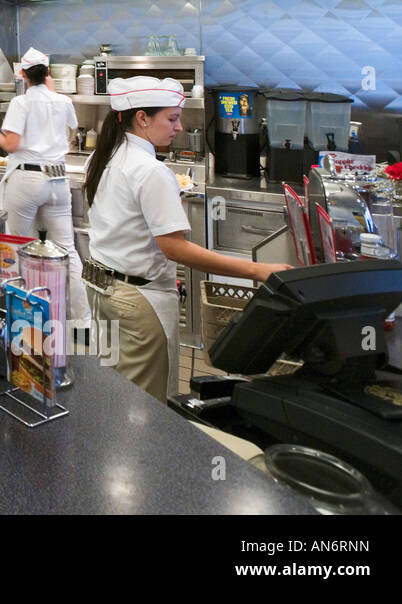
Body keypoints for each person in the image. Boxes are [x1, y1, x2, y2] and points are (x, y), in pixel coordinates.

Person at [83, 76, 290, 402]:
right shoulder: (150, 170)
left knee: (114, 394)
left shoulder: (104, 156)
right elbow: (174, 247)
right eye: (172, 118)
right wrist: (257, 271)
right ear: (142, 118)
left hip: (102, 291)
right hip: (138, 302)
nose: (178, 127)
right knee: (146, 405)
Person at [0, 47, 89, 329]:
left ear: (22, 74)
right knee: (67, 249)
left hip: (28, 180)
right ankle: (81, 322)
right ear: (48, 73)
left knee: (19, 247)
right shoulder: (63, 101)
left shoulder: (21, 102)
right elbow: (73, 127)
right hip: (58, 180)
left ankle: (25, 320)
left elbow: (13, 144)